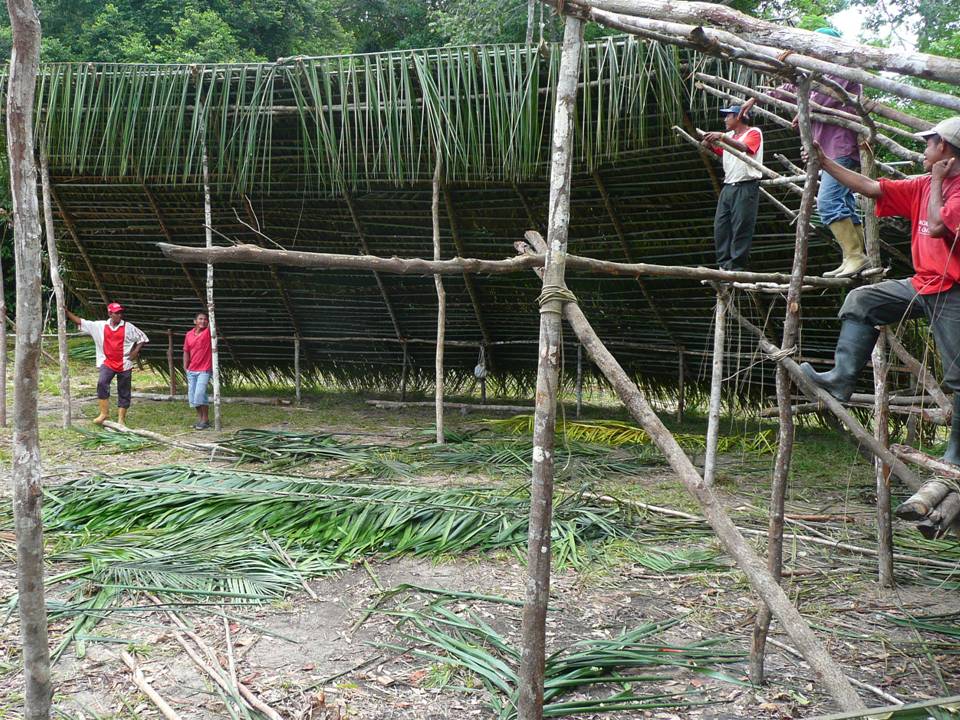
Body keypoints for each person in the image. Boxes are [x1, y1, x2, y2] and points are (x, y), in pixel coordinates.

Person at [801, 116, 960, 462]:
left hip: (954, 290)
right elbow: (873, 189)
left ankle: (957, 453)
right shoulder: (921, 184)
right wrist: (825, 161)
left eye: (927, 145)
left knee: (959, 376)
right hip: (924, 283)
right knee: (862, 300)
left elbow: (936, 226)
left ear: (943, 147)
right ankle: (841, 379)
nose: (923, 151)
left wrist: (935, 182)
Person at [773, 27, 869, 278]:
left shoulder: (842, 71)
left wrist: (804, 109)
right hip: (827, 146)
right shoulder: (816, 75)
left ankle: (855, 256)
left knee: (828, 202)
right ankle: (854, 256)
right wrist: (762, 94)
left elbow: (822, 100)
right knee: (845, 202)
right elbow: (791, 90)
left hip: (839, 144)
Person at [701, 103, 764, 271]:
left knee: (741, 225)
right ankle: (723, 264)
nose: (725, 119)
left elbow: (744, 148)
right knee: (721, 226)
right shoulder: (728, 136)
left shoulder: (753, 132)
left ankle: (736, 266)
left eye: (728, 116)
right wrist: (711, 144)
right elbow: (722, 151)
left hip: (746, 185)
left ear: (738, 117)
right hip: (728, 186)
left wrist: (721, 137)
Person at [67, 303, 149, 426]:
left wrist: (135, 351)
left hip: (124, 363)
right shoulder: (100, 326)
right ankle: (104, 413)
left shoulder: (128, 327)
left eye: (120, 312)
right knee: (102, 383)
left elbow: (142, 337)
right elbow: (81, 322)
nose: (119, 315)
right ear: (110, 314)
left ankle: (121, 418)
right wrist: (66, 312)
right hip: (107, 361)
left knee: (124, 390)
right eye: (116, 313)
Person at [183, 311, 212, 430]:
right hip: (192, 370)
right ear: (195, 321)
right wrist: (185, 366)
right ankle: (201, 419)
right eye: (200, 319)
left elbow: (212, 324)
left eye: (205, 319)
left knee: (200, 394)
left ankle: (205, 419)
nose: (203, 321)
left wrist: (212, 310)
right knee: (193, 397)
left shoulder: (208, 332)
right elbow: (186, 350)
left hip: (204, 369)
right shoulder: (189, 334)